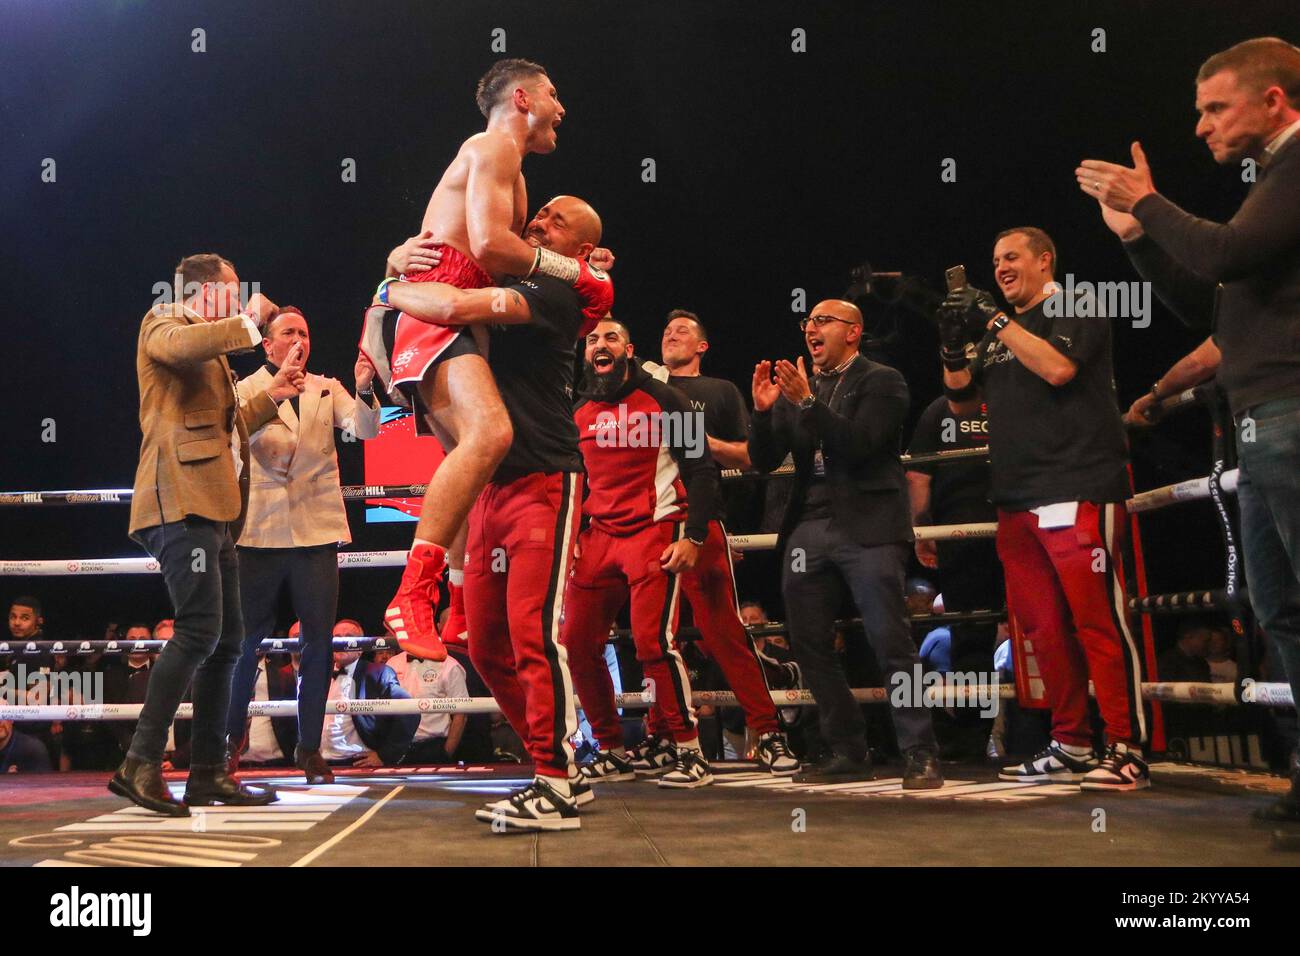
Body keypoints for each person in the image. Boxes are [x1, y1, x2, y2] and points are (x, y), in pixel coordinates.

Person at [1080, 37, 1300, 818]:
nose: (1202, 126)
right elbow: (1214, 311)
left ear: (1273, 101)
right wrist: (1135, 238)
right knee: (1278, 611)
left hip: (1291, 415)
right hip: (1260, 417)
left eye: (1216, 107)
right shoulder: (1269, 181)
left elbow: (1227, 254)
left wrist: (1147, 201)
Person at [359, 58, 612, 662]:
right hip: (438, 308)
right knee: (491, 433)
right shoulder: (496, 144)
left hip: (441, 309)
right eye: (554, 94)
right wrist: (572, 270)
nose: (562, 107)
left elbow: (481, 244)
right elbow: (492, 248)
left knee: (468, 468)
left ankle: (458, 606)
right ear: (522, 98)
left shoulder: (508, 165)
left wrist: (389, 276)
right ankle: (412, 597)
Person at [384, 196, 604, 830]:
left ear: (580, 252)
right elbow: (443, 263)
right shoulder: (503, 274)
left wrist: (389, 288)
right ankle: (555, 760)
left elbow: (448, 305)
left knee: (534, 634)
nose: (538, 224)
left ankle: (557, 780)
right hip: (489, 488)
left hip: (544, 479)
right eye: (540, 216)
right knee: (483, 644)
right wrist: (399, 260)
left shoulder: (559, 296)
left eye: (555, 222)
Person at [939, 227, 1148, 791]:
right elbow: (961, 403)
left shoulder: (1079, 302)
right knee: (1042, 631)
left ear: (1044, 260)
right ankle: (1074, 742)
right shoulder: (999, 332)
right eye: (995, 259)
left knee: (1098, 622)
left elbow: (1059, 369)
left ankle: (1127, 746)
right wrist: (951, 342)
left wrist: (994, 320)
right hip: (1015, 498)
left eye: (1011, 257)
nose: (1001, 267)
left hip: (1077, 486)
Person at [110, 253, 304, 816]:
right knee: (197, 631)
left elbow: (222, 427)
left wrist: (273, 397)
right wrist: (249, 321)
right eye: (236, 288)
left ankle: (208, 772)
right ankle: (139, 763)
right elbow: (177, 348)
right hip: (179, 500)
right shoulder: (163, 322)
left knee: (227, 642)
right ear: (210, 292)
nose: (245, 295)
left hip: (216, 507)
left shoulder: (213, 353)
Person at [749, 298, 942, 787]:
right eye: (807, 322)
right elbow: (766, 461)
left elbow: (858, 445)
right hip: (808, 526)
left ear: (853, 332)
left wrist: (808, 405)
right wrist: (763, 413)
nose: (811, 329)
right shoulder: (800, 387)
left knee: (890, 640)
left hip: (868, 524)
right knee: (809, 643)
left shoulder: (882, 380)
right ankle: (848, 749)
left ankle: (920, 752)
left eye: (822, 321)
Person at [226, 305, 381, 784]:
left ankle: (309, 749)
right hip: (257, 531)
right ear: (267, 344)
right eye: (289, 331)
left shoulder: (325, 388)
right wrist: (275, 394)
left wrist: (365, 388)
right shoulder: (244, 389)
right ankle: (229, 746)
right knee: (244, 644)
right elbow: (228, 440)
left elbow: (365, 431)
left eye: (305, 331)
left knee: (319, 643)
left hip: (315, 530)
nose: (299, 339)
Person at [562, 319, 720, 789]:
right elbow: (571, 482)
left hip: (655, 530)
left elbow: (703, 469)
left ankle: (690, 750)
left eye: (610, 337)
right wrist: (569, 538)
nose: (600, 345)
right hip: (599, 534)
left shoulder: (666, 399)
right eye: (592, 339)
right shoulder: (579, 411)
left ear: (629, 349)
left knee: (653, 642)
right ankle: (610, 748)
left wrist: (692, 536)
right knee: (575, 643)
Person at [658, 311, 798, 773]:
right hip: (644, 524)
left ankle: (769, 731)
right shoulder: (640, 388)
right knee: (652, 637)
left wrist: (697, 441)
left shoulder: (718, 392)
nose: (671, 335)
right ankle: (666, 736)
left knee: (726, 633)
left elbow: (747, 457)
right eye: (666, 331)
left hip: (700, 520)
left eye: (683, 331)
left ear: (702, 347)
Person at [905, 393, 1002, 673]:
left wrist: (923, 531)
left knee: (970, 632)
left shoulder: (939, 409)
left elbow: (917, 477)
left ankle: (974, 716)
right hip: (1020, 522)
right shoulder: (1016, 398)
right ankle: (1048, 715)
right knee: (1038, 626)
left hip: (961, 533)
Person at [319, 620, 419, 767]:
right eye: (337, 637)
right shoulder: (319, 675)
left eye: (348, 637)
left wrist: (386, 755)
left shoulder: (378, 673)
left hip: (358, 763)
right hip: (321, 763)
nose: (341, 642)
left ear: (360, 648)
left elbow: (410, 711)